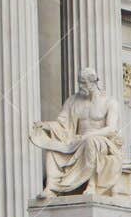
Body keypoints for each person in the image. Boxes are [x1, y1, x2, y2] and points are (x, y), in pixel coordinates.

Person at [30, 69, 124, 197]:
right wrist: (45, 125)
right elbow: (63, 124)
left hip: (101, 140)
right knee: (53, 148)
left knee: (91, 142)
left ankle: (91, 185)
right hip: (75, 141)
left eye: (83, 83)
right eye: (79, 83)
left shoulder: (110, 102)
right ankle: (51, 187)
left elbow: (111, 129)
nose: (80, 86)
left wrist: (88, 135)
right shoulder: (72, 101)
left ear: (93, 82)